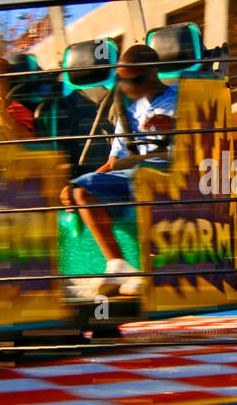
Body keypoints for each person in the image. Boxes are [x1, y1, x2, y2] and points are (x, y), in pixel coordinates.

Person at [60, 44, 177, 297]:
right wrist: (78, 184)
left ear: (153, 73)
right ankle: (118, 264)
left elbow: (205, 133)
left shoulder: (181, 98)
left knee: (131, 179)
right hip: (133, 176)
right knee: (81, 190)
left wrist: (175, 125)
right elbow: (114, 161)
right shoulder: (130, 110)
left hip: (171, 173)